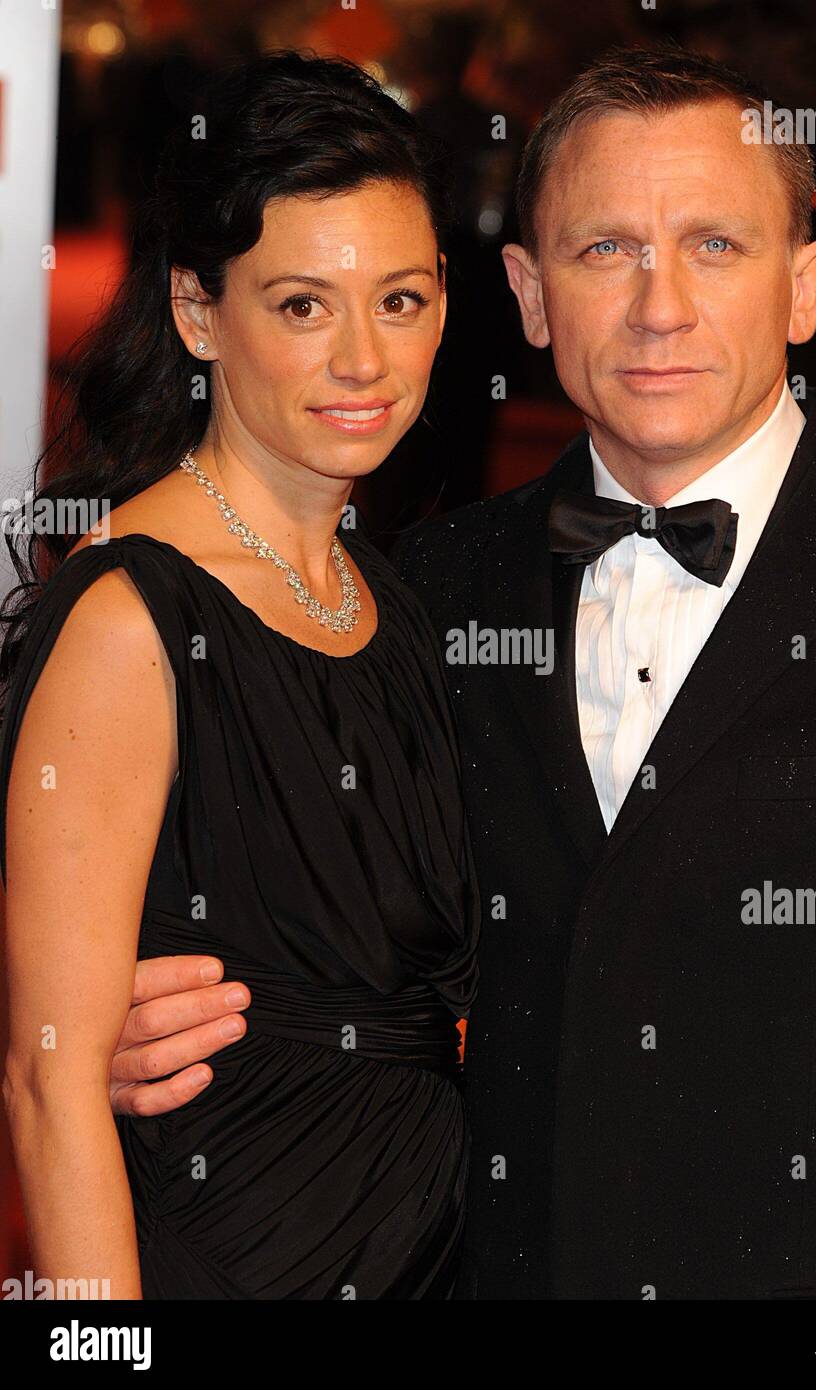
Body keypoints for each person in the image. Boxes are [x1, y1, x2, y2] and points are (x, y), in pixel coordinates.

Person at [76, 41, 816, 1299]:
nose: (656, 304)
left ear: (807, 285)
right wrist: (133, 1034)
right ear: (526, 292)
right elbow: (334, 948)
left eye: (713, 247)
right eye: (602, 248)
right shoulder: (416, 594)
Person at [0, 50, 479, 1300]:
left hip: (427, 1256)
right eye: (303, 305)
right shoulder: (129, 613)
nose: (366, 361)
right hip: (227, 1261)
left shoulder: (401, 608)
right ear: (199, 313)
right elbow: (50, 1085)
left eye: (403, 299)